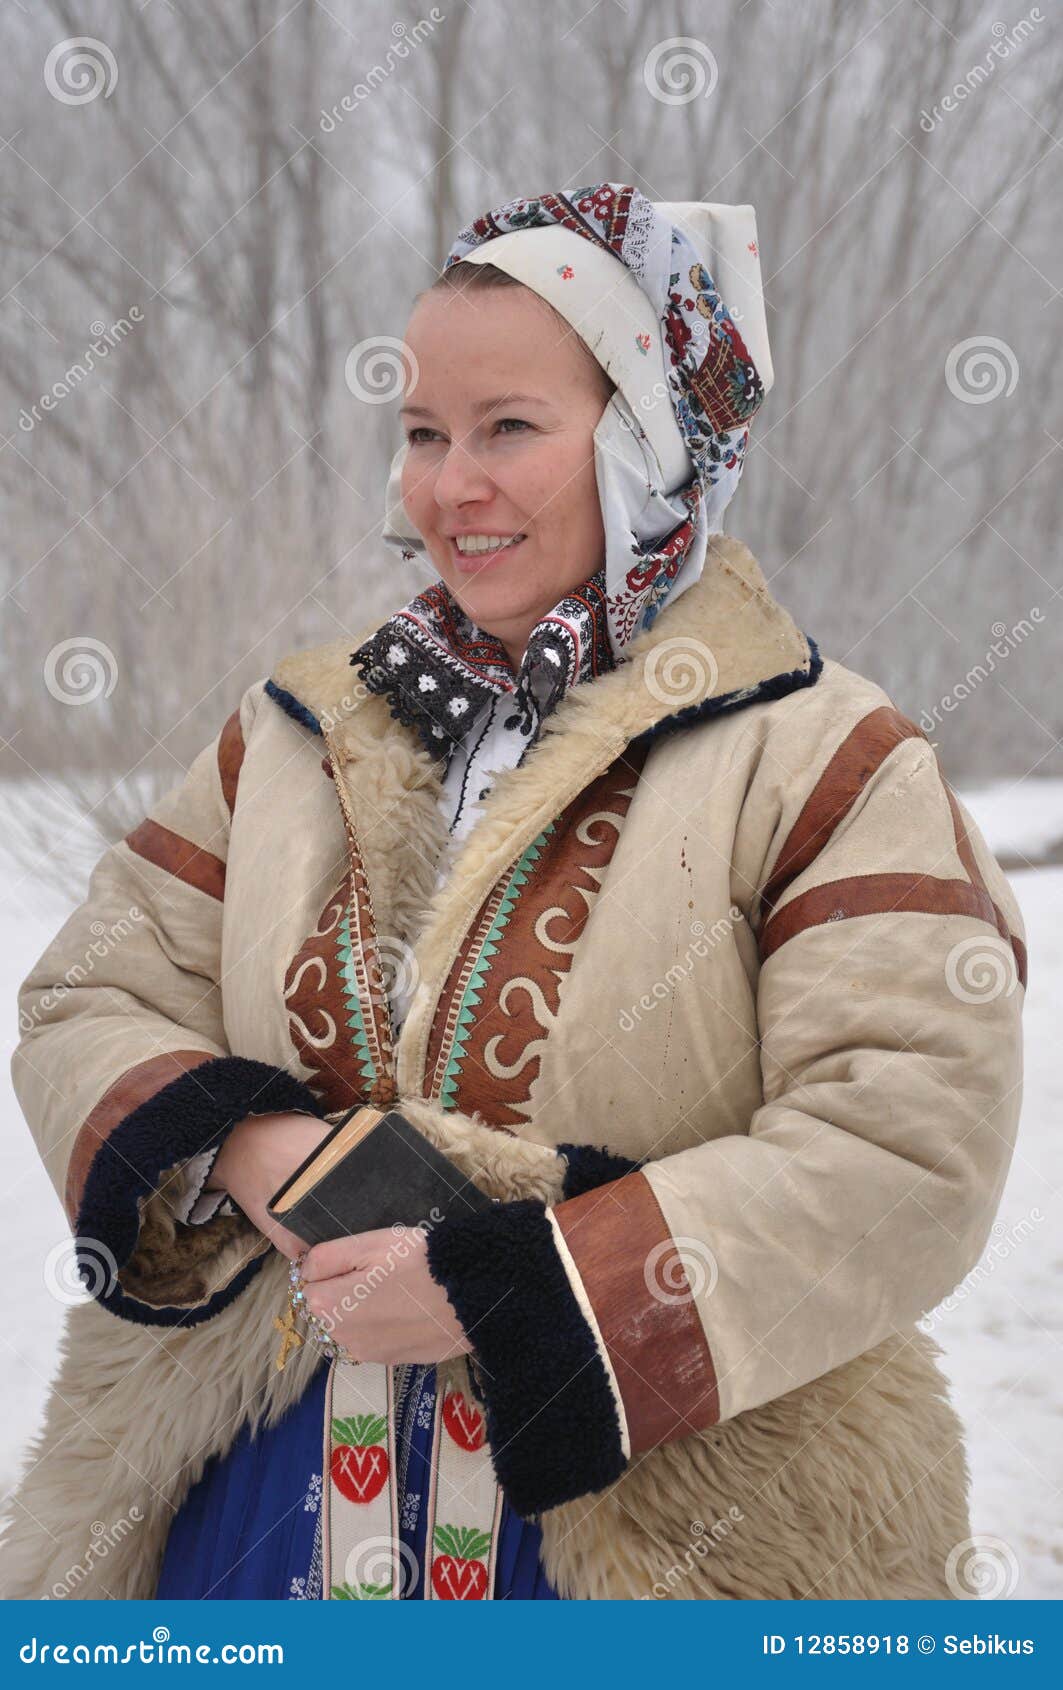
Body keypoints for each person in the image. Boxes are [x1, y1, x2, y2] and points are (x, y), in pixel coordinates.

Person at [2, 184, 1025, 1602]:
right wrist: (256, 1149)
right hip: (257, 1511)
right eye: (424, 432)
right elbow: (87, 995)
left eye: (510, 429)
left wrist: (516, 1290)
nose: (450, 486)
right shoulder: (294, 736)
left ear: (648, 444)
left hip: (667, 1537)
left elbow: (905, 1142)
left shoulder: (821, 757)